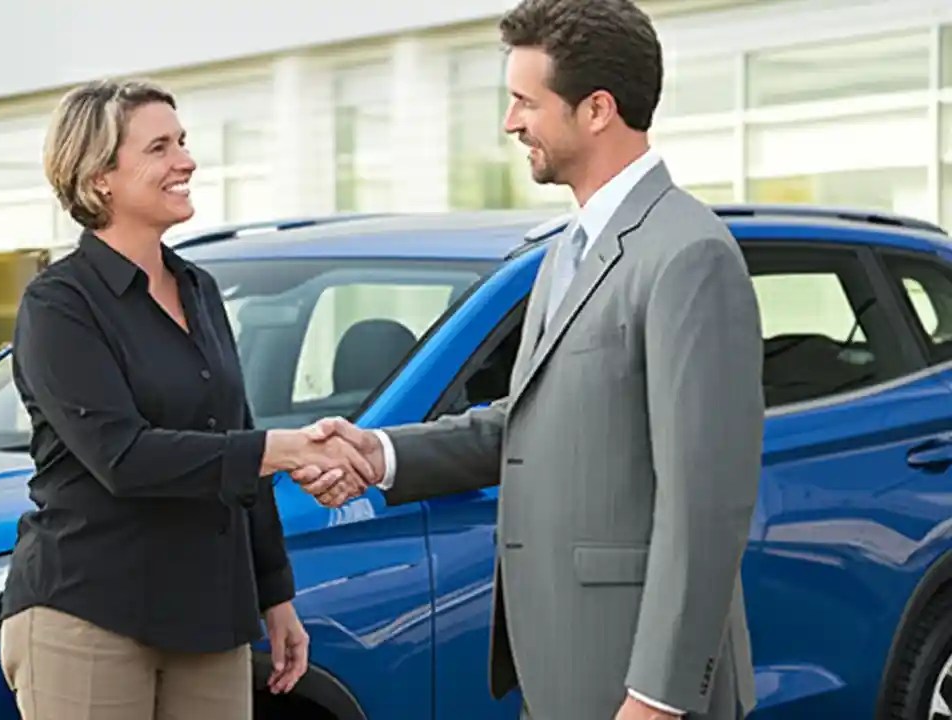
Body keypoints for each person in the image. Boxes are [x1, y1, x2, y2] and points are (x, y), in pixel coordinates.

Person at [293, 1, 765, 719]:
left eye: (524, 101)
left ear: (597, 109)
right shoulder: (566, 252)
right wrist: (379, 452)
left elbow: (706, 505)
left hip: (634, 685)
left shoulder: (688, 254)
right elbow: (536, 421)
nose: (510, 123)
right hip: (560, 672)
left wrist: (656, 698)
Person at [0, 78, 376, 720]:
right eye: (159, 148)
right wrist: (280, 450)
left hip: (210, 617)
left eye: (183, 142)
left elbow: (234, 439)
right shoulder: (59, 305)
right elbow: (123, 456)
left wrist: (275, 596)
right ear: (99, 180)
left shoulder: (198, 288)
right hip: (91, 610)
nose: (186, 161)